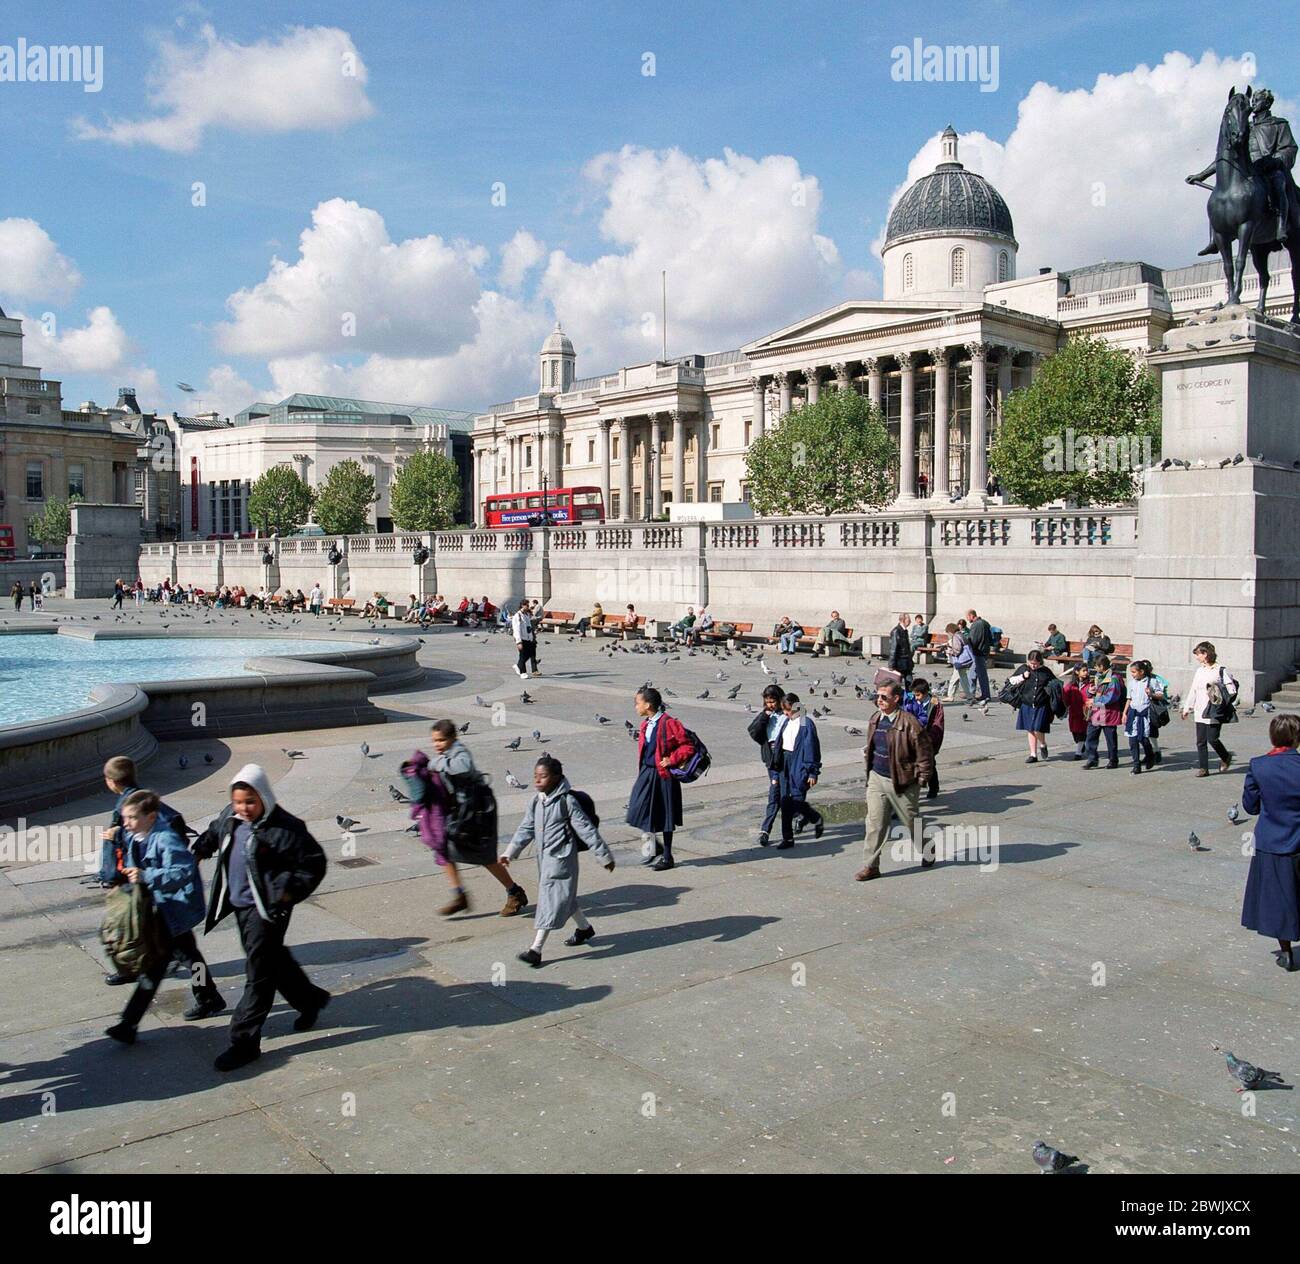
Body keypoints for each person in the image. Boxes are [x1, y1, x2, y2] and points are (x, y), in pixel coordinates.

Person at [191, 765, 330, 1073]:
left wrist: (287, 892)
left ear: (264, 796)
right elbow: (215, 832)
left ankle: (244, 1043)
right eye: (239, 801)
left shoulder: (285, 828)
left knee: (258, 974)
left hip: (268, 910)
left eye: (250, 802)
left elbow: (314, 863)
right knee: (272, 959)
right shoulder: (231, 817)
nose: (244, 808)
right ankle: (310, 1000)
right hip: (240, 905)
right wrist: (198, 852)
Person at [102, 790, 226, 1046]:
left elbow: (184, 870)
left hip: (173, 911)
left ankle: (130, 1022)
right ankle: (207, 996)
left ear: (151, 816)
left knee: (160, 966)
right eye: (124, 818)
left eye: (132, 818)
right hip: (160, 911)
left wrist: (148, 876)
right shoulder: (135, 832)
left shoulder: (165, 839)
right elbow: (127, 844)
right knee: (190, 959)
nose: (126, 823)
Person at [403, 720, 528, 917]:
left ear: (453, 738)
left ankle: (515, 892)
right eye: (434, 740)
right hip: (461, 812)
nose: (437, 744)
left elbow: (462, 766)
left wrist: (435, 764)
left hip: (478, 812)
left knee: (485, 857)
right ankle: (459, 895)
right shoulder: (446, 754)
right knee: (443, 849)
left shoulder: (460, 752)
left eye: (441, 740)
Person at [503, 753, 614, 968]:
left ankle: (536, 949)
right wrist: (510, 852)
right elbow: (525, 828)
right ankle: (584, 929)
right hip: (544, 860)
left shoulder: (567, 801)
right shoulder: (536, 801)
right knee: (565, 898)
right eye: (535, 776)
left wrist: (604, 855)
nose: (537, 780)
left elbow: (586, 830)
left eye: (542, 777)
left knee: (550, 901)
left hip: (562, 861)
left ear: (556, 778)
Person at [1240, 713, 1300, 972]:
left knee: (1278, 899)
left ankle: (1286, 952)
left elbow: (1250, 806)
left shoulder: (1259, 765)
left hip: (1272, 841)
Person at [858, 680, 934, 881]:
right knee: (874, 823)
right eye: (877, 696)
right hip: (876, 778)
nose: (879, 700)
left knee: (911, 821)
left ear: (896, 699)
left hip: (903, 781)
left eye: (884, 697)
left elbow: (925, 753)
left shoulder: (910, 723)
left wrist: (923, 779)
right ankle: (871, 866)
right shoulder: (875, 718)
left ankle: (927, 849)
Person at [626, 686, 694, 871]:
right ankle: (654, 847)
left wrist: (671, 760)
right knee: (637, 809)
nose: (635, 707)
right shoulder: (645, 724)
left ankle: (667, 855)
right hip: (647, 773)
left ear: (647, 705)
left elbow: (687, 746)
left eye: (637, 703)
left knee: (665, 815)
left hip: (664, 774)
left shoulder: (668, 723)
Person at [1181, 640, 1238, 777]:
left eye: (1199, 654)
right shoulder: (1199, 671)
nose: (1197, 657)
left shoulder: (1220, 670)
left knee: (1213, 738)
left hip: (1214, 710)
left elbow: (1231, 689)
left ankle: (1225, 757)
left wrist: (1218, 696)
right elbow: (1193, 689)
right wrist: (1187, 707)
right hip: (1200, 709)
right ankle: (1203, 768)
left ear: (1205, 654)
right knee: (1200, 741)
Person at [774, 691, 823, 847]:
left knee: (796, 798)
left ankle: (812, 817)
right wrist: (776, 768)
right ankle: (787, 837)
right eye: (784, 711)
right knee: (784, 800)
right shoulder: (786, 722)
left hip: (799, 763)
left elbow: (811, 747)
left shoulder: (805, 723)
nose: (786, 714)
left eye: (788, 710)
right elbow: (780, 744)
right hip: (785, 763)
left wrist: (812, 771)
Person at [747, 684, 786, 846]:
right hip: (772, 761)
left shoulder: (790, 711)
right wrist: (765, 716)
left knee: (791, 794)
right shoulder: (765, 715)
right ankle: (765, 830)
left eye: (773, 701)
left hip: (788, 758)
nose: (770, 705)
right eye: (767, 701)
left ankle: (805, 815)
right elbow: (753, 732)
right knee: (775, 794)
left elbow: (806, 727)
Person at [1008, 650, 1057, 763]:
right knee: (1030, 729)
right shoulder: (1024, 669)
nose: (1033, 665)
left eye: (1035, 663)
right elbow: (1011, 681)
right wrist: (1023, 677)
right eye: (1031, 663)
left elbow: (1055, 684)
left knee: (1038, 728)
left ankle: (1043, 744)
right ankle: (1033, 754)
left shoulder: (1046, 672)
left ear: (1040, 662)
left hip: (1041, 705)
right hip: (1027, 704)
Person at [904, 677, 945, 798]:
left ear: (925, 693)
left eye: (918, 695)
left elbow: (938, 723)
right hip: (913, 737)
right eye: (914, 695)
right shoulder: (911, 700)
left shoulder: (935, 704)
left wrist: (930, 738)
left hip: (928, 738)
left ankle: (934, 788)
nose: (916, 697)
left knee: (930, 763)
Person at [1083, 654, 1124, 770]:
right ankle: (1092, 759)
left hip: (1109, 712)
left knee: (1110, 738)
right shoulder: (1098, 676)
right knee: (1091, 737)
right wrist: (1090, 692)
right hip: (1097, 711)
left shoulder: (1113, 679)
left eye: (1096, 666)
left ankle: (1113, 760)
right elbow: (1095, 692)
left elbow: (1112, 697)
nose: (1095, 668)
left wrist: (1095, 699)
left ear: (1101, 666)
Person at [1122, 660, 1158, 775]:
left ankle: (1150, 755)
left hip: (1145, 714)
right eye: (1131, 672)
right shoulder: (1132, 683)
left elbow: (1161, 695)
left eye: (1134, 672)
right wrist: (1124, 713)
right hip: (1133, 713)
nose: (1132, 674)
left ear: (1141, 671)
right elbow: (1129, 698)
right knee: (1132, 740)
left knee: (1143, 739)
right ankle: (1136, 764)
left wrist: (1151, 694)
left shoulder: (1151, 681)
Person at [1062, 665, 1090, 760]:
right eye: (1084, 670)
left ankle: (1078, 752)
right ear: (1077, 672)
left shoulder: (1090, 684)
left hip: (1085, 713)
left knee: (1082, 732)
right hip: (1074, 712)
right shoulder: (1071, 685)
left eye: (1087, 671)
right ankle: (1081, 745)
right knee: (1075, 732)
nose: (1086, 672)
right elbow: (1065, 697)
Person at [942, 622, 975, 702]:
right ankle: (969, 696)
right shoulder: (961, 634)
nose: (948, 635)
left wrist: (950, 651)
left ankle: (950, 696)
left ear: (950, 631)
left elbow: (957, 650)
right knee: (963, 678)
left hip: (959, 661)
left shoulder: (956, 636)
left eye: (948, 633)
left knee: (955, 678)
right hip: (963, 661)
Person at [965, 609, 992, 702]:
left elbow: (973, 640)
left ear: (971, 615)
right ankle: (978, 694)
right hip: (984, 652)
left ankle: (976, 695)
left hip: (978, 652)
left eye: (967, 617)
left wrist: (968, 648)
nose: (968, 619)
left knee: (978, 675)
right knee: (975, 674)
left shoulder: (976, 625)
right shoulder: (985, 623)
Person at [510, 599, 539, 678]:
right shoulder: (518, 616)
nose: (528, 607)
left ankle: (518, 666)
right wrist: (518, 642)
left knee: (529, 654)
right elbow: (516, 629)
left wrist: (532, 637)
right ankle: (523, 673)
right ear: (522, 605)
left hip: (528, 638)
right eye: (527, 605)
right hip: (521, 638)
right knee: (522, 655)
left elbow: (528, 627)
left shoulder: (526, 615)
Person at [888, 613, 914, 685]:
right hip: (899, 662)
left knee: (910, 683)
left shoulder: (904, 630)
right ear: (903, 620)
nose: (910, 621)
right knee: (897, 684)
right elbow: (893, 649)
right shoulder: (896, 631)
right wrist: (891, 665)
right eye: (909, 620)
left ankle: (909, 696)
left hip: (906, 662)